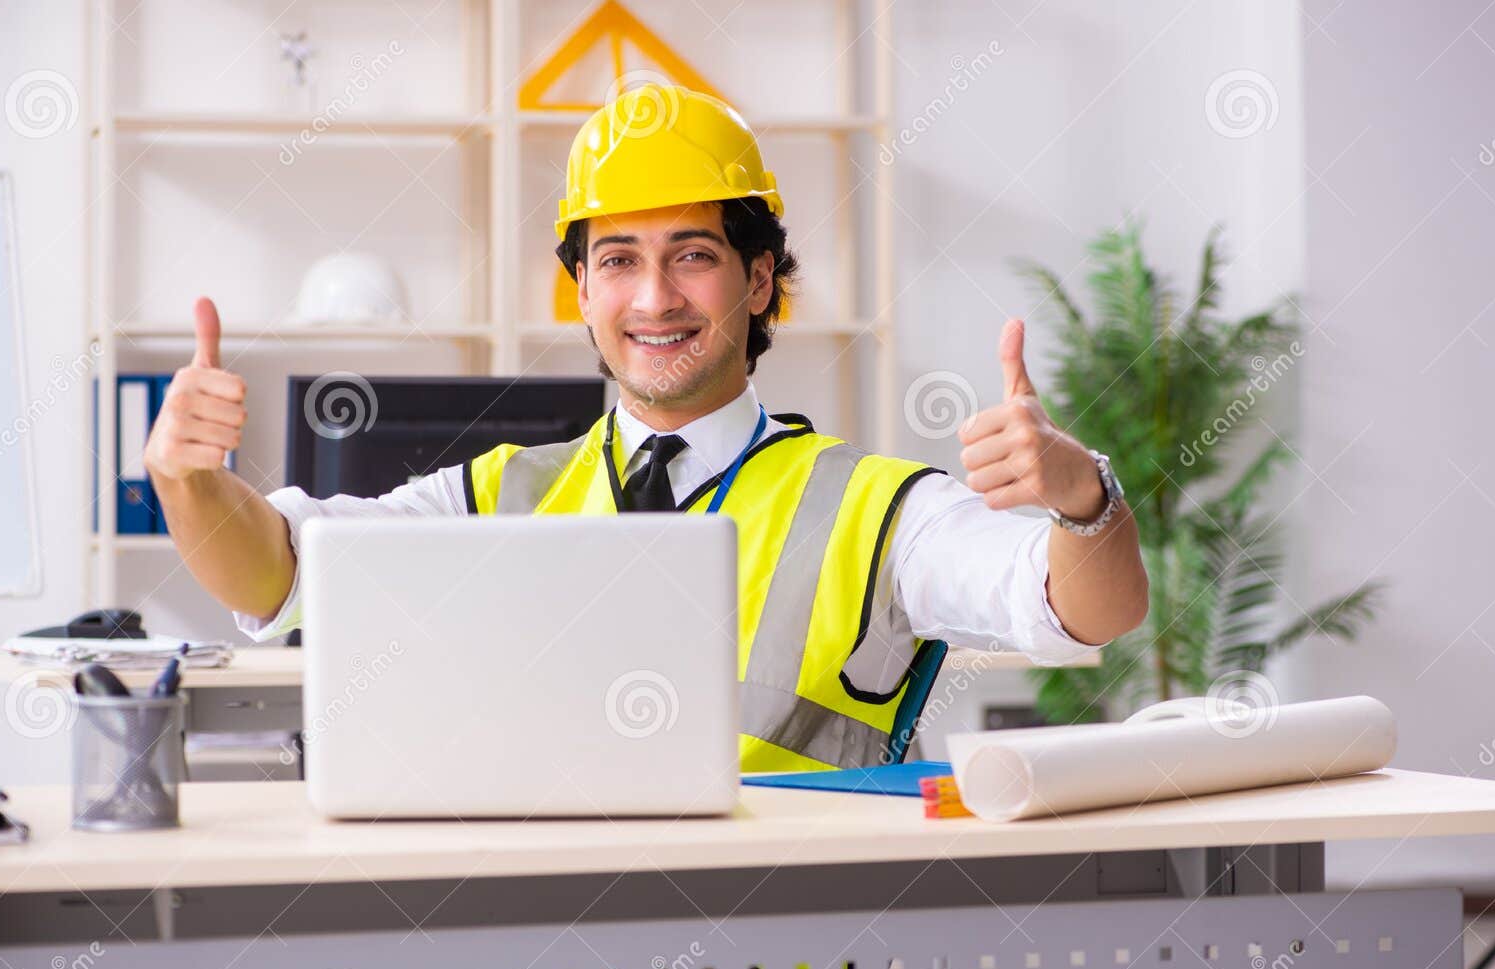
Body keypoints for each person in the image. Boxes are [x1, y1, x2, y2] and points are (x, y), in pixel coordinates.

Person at [143, 85, 1149, 772]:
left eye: (693, 256)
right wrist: (189, 479)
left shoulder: (882, 511)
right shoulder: (495, 496)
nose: (654, 296)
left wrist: (1080, 499)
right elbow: (278, 573)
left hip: (799, 942)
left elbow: (1087, 611)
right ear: (583, 291)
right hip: (541, 936)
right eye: (618, 258)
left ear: (759, 280)